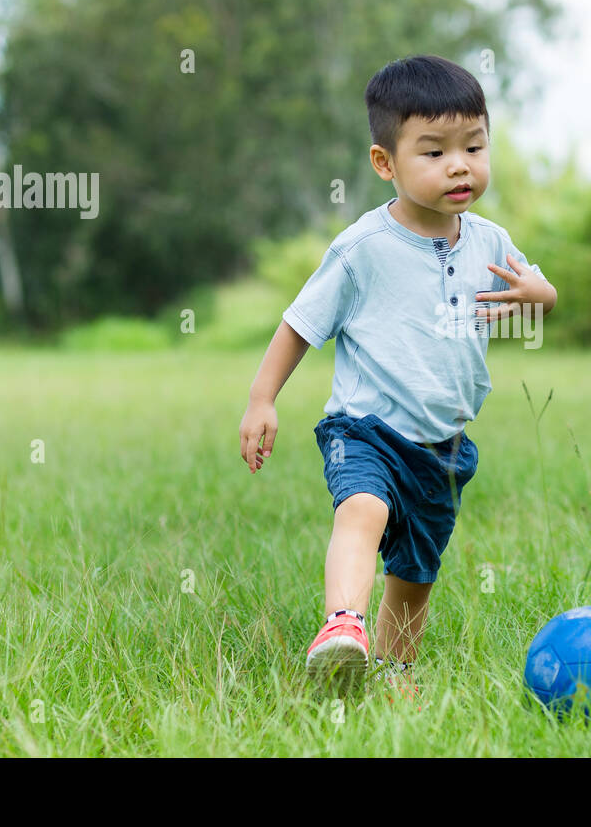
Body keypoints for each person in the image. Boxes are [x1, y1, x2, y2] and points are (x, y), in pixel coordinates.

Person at [238, 55, 558, 699]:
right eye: (434, 152)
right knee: (362, 512)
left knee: (415, 574)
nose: (460, 165)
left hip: (443, 445)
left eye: (474, 146)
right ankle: (342, 627)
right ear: (385, 162)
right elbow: (301, 323)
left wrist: (539, 294)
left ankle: (395, 672)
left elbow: (541, 290)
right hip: (366, 428)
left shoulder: (491, 242)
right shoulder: (364, 248)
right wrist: (261, 399)